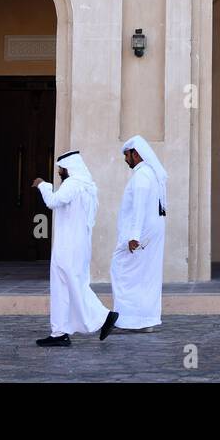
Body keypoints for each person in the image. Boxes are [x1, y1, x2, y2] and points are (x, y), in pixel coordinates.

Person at [33, 150, 118, 347]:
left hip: (68, 245)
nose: (59, 173)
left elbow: (53, 201)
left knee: (71, 284)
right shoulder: (88, 186)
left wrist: (43, 185)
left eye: (61, 169)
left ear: (68, 168)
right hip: (79, 244)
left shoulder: (73, 184)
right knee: (67, 285)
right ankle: (59, 332)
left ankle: (104, 317)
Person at [110, 136, 168, 333]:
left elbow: (139, 208)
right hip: (149, 233)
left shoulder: (142, 176)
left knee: (122, 270)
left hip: (140, 235)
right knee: (144, 276)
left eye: (127, 155)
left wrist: (133, 236)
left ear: (135, 154)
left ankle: (131, 320)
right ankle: (144, 320)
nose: (125, 159)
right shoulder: (151, 174)